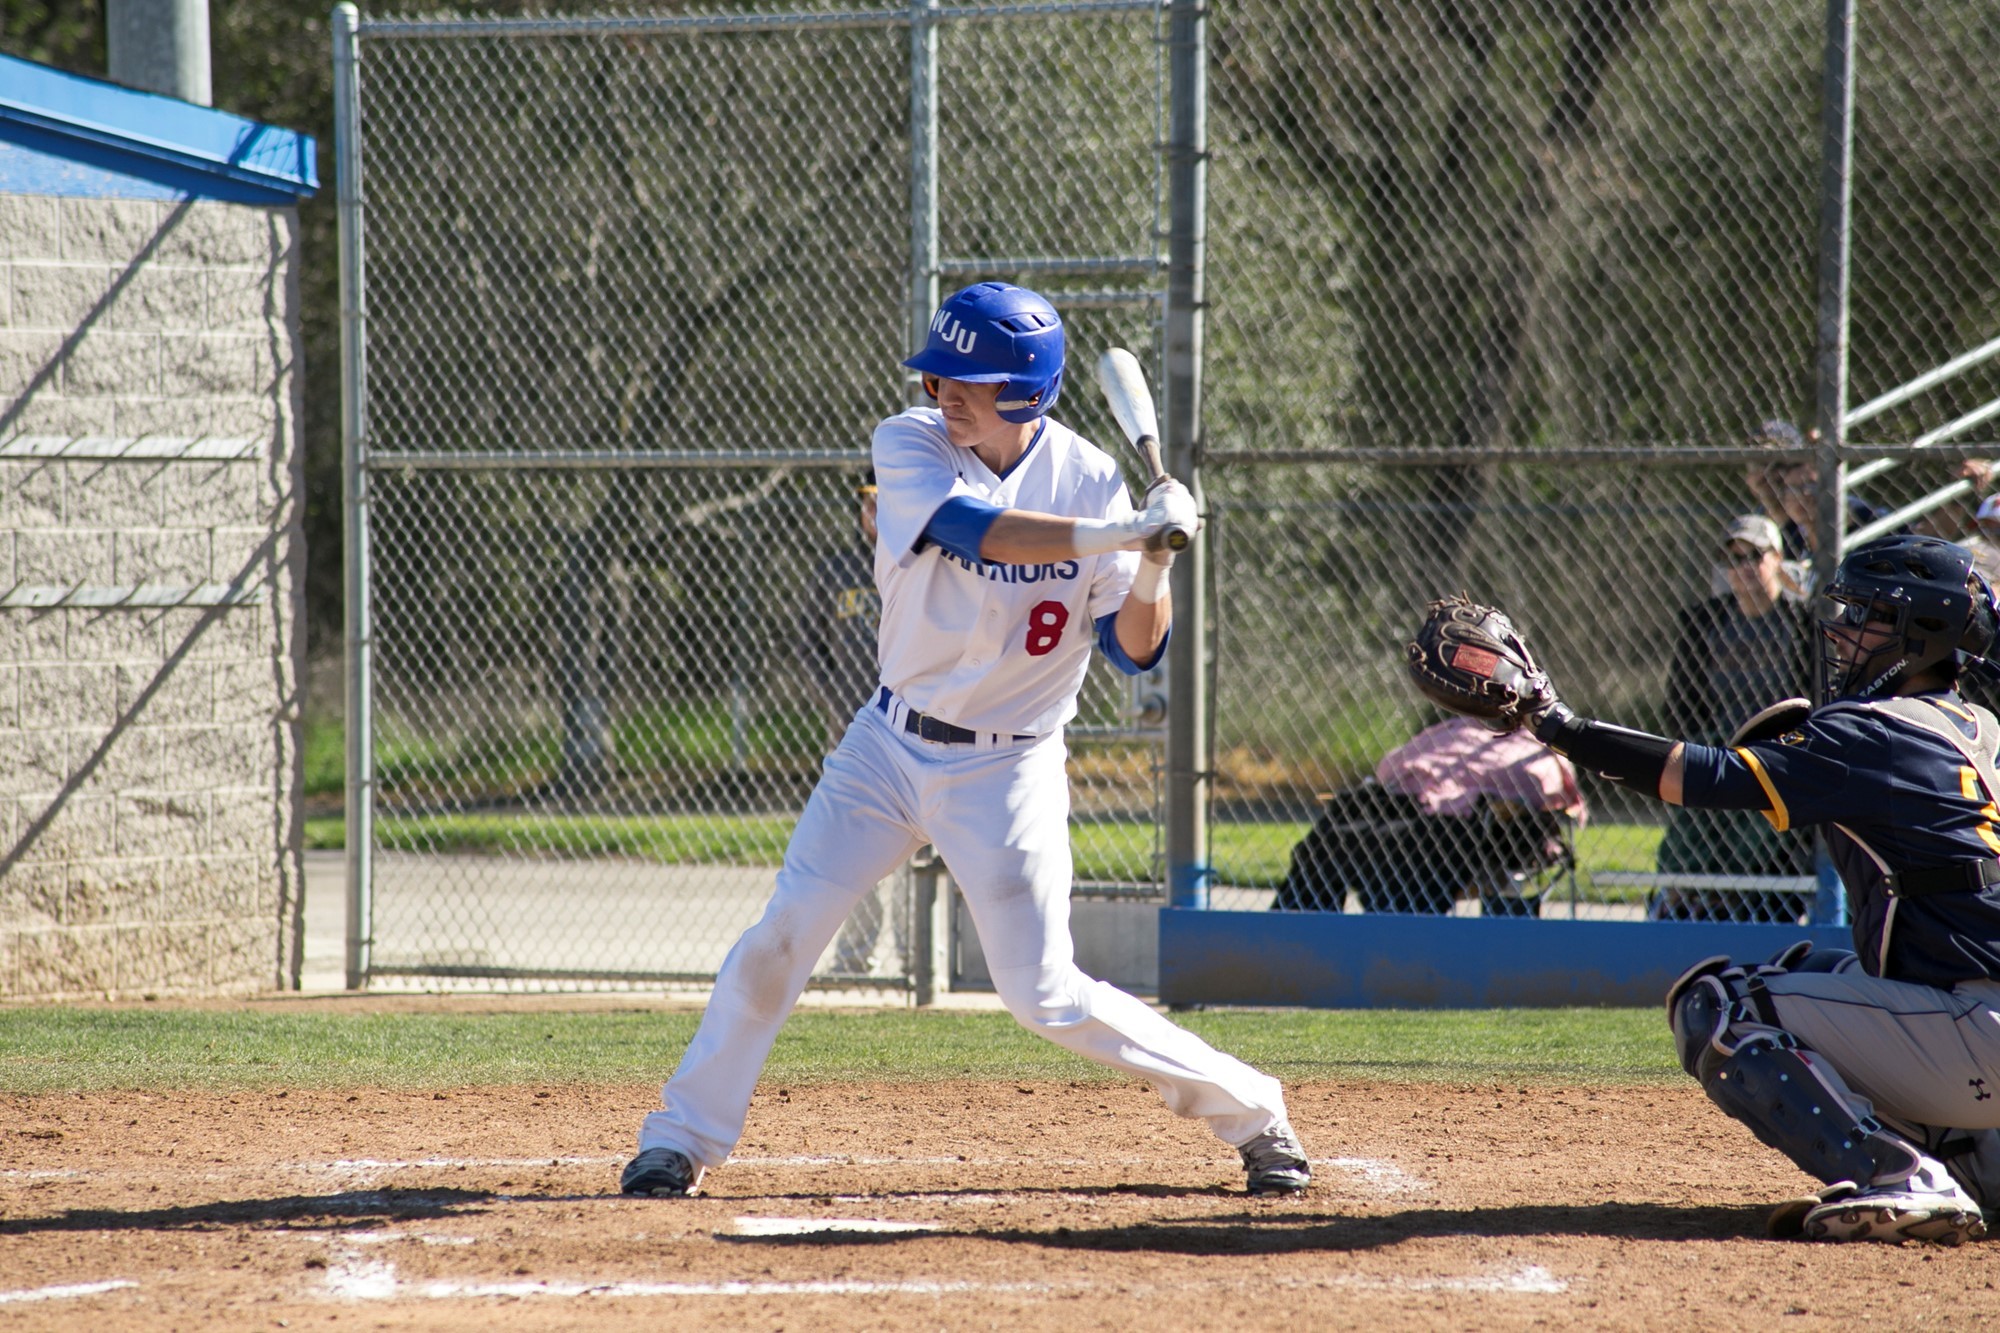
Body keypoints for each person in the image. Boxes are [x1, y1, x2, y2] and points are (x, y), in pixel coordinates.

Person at [621, 281, 1310, 1200]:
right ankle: (680, 1138)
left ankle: (1256, 1112)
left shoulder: (1094, 479)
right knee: (779, 940)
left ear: (1024, 392)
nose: (945, 388)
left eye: (969, 378)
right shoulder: (908, 442)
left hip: (1009, 766)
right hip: (888, 747)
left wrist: (1152, 559)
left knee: (1045, 995)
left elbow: (1135, 649)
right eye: (940, 370)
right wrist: (1124, 527)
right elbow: (976, 534)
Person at [1519, 534, 2000, 1244]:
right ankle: (1977, 1171)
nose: (1842, 632)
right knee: (1812, 973)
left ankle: (1901, 1176)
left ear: (1918, 632)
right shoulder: (1977, 726)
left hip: (1976, 1031)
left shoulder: (1874, 731)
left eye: (1866, 616)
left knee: (1721, 1003)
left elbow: (1698, 776)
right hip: (1976, 1020)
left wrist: (1552, 723)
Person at [1651, 515, 1814, 921]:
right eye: (1731, 558)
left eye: (1752, 556)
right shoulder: (1705, 620)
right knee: (1689, 823)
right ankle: (1683, 897)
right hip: (1718, 742)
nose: (1740, 568)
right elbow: (1681, 702)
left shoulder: (1802, 622)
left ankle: (1736, 898)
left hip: (1778, 748)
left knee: (1751, 829)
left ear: (1777, 558)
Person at [1272, 715, 1583, 916]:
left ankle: (1397, 932)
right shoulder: (1457, 730)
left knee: (1406, 843)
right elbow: (1392, 771)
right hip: (1410, 813)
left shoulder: (1534, 745)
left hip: (1477, 834)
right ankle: (1293, 936)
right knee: (1336, 833)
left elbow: (1541, 794)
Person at [795, 471, 904, 977]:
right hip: (852, 731)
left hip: (917, 728)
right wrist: (835, 702)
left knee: (923, 852)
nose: (874, 514)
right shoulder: (835, 570)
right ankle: (855, 960)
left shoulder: (920, 560)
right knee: (852, 848)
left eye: (885, 502)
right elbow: (806, 647)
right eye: (867, 504)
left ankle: (917, 961)